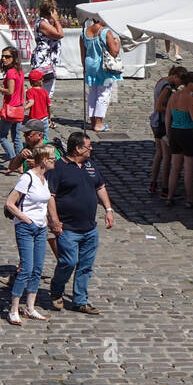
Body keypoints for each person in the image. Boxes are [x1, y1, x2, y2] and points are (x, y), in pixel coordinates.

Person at [46, 132, 114, 315]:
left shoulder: (90, 165)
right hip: (67, 227)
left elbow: (100, 187)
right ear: (77, 148)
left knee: (86, 265)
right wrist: (54, 221)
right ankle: (56, 290)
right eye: (88, 146)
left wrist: (108, 209)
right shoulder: (58, 168)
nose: (91, 149)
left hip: (89, 228)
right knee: (68, 262)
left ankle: (80, 301)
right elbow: (50, 196)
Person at [4, 145, 56, 325]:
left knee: (37, 269)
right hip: (26, 228)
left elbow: (46, 202)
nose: (54, 160)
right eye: (52, 158)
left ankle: (30, 307)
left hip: (41, 228)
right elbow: (10, 203)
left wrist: (49, 221)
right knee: (26, 269)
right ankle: (13, 309)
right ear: (43, 160)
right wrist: (25, 219)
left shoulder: (44, 178)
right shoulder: (27, 178)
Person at [164, 70, 193, 207]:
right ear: (190, 84)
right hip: (187, 133)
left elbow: (168, 117)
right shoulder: (189, 98)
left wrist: (169, 134)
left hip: (174, 131)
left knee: (175, 167)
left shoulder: (174, 96)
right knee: (188, 169)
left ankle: (169, 196)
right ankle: (190, 199)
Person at [80, 17, 121, 133]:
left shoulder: (84, 31)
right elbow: (114, 52)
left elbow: (82, 52)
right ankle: (98, 123)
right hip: (102, 65)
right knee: (104, 93)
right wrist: (117, 43)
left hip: (90, 64)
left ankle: (92, 121)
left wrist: (84, 67)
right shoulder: (105, 32)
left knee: (93, 93)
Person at [149, 65, 182, 195]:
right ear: (175, 77)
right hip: (162, 123)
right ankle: (165, 187)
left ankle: (153, 183)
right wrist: (173, 111)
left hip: (155, 121)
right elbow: (159, 106)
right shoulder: (167, 88)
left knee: (159, 154)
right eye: (180, 81)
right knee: (166, 156)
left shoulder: (160, 81)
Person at [0, 47, 28, 167]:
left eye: (7, 56)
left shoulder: (10, 73)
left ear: (13, 58)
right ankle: (21, 165)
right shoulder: (19, 71)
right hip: (19, 108)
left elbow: (10, 91)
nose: (4, 59)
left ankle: (14, 160)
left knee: (2, 136)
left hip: (11, 109)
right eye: (3, 56)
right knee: (17, 138)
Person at [30, 0, 64, 97]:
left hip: (49, 60)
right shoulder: (42, 23)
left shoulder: (47, 22)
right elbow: (60, 34)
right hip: (43, 61)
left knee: (48, 91)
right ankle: (40, 110)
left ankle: (43, 110)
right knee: (43, 90)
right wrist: (56, 19)